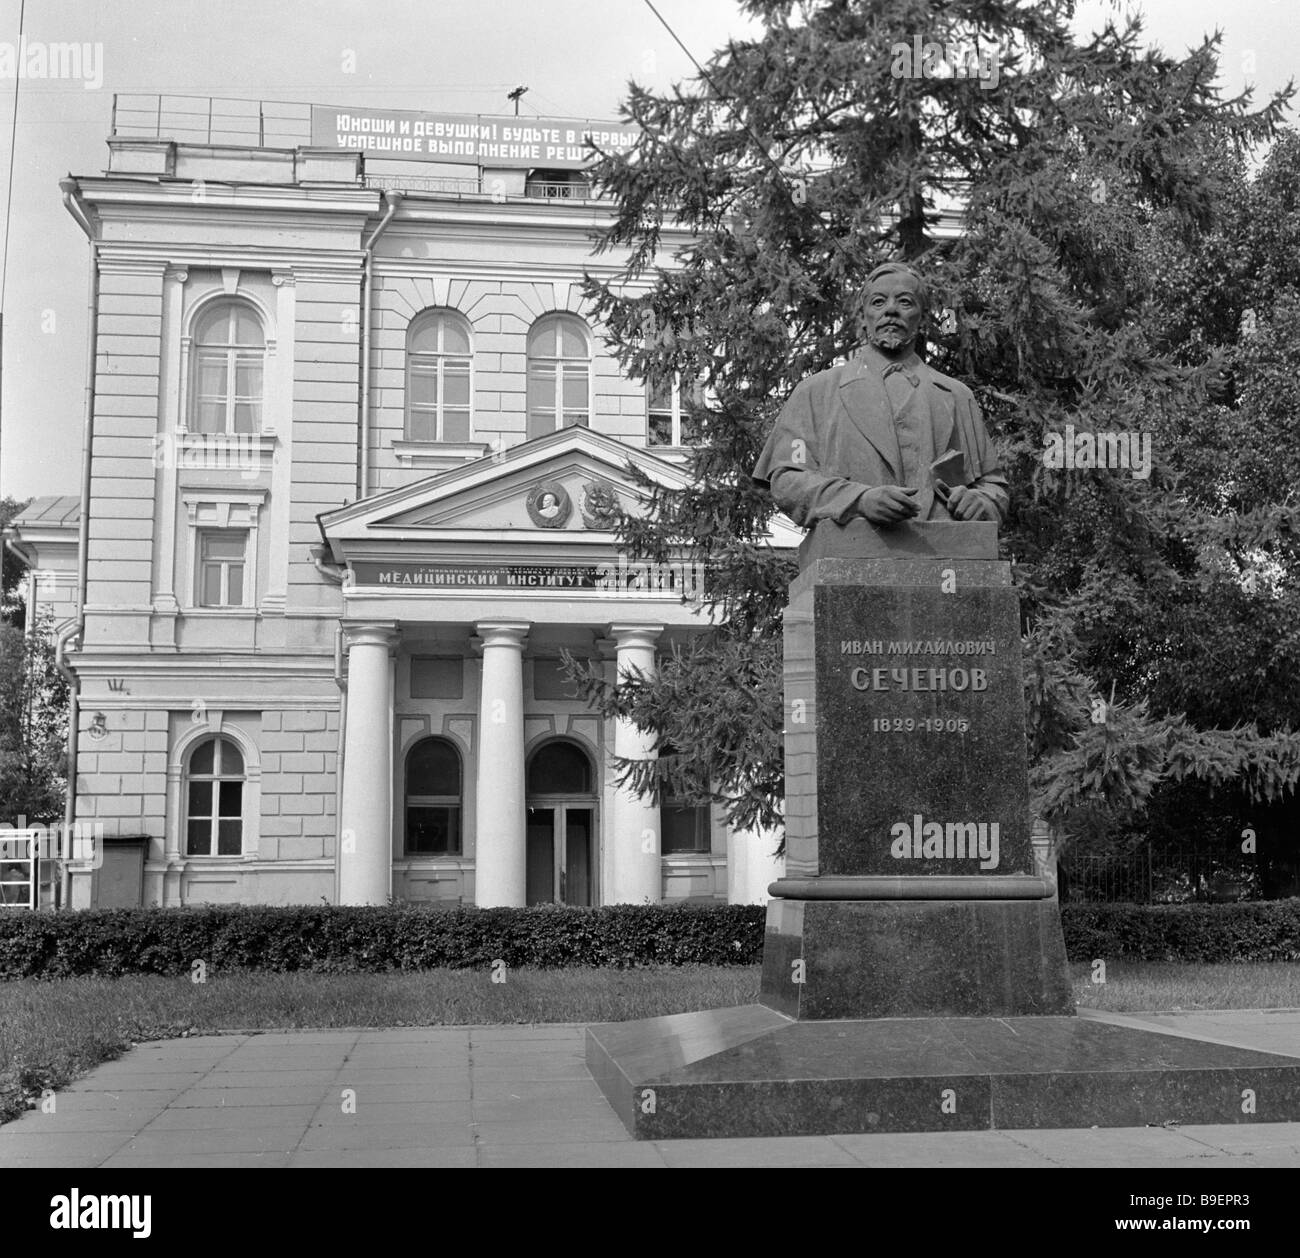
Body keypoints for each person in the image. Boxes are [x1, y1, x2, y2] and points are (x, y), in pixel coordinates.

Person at [753, 262, 1009, 529]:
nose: (891, 310)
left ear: (921, 319)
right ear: (863, 317)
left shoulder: (956, 396)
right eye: (878, 302)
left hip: (943, 551)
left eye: (905, 302)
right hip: (851, 547)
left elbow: (993, 487)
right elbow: (788, 480)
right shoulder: (816, 393)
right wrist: (858, 500)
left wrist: (981, 502)